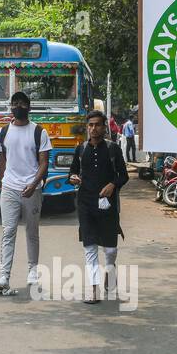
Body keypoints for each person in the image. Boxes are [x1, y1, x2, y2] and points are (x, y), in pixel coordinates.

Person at [0, 90, 51, 294]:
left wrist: (34, 184)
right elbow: (2, 160)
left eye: (22, 103)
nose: (18, 106)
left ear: (29, 107)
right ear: (11, 107)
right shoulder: (3, 132)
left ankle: (32, 270)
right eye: (15, 103)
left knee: (32, 232)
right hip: (9, 188)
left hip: (32, 189)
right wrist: (2, 185)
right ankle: (4, 276)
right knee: (8, 231)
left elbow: (44, 163)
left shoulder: (39, 132)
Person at [68, 110, 128, 304]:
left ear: (104, 127)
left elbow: (123, 175)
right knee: (90, 247)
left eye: (97, 125)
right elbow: (72, 173)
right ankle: (93, 290)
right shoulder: (81, 148)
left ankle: (110, 272)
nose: (93, 129)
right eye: (90, 125)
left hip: (107, 206)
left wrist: (113, 185)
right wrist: (73, 178)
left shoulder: (113, 149)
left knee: (110, 250)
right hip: (85, 204)